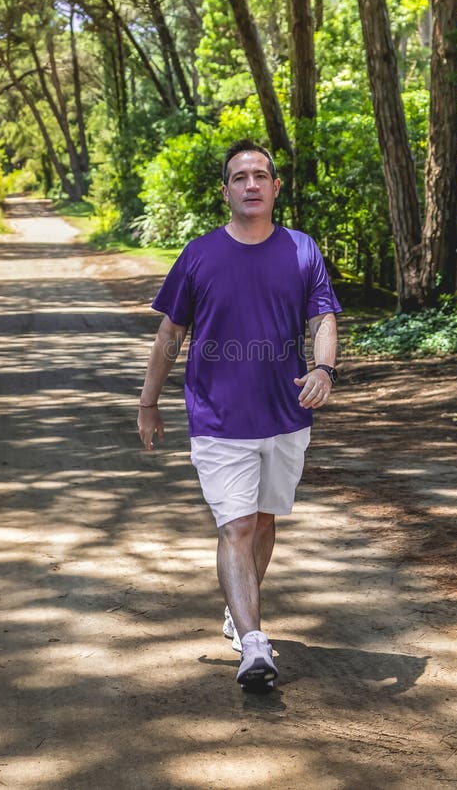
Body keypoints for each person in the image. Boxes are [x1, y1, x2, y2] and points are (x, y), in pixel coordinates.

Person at [137, 139, 341, 692]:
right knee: (238, 524)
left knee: (266, 520)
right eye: (239, 177)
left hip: (286, 413)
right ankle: (254, 643)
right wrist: (149, 402)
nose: (251, 184)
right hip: (217, 417)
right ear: (225, 191)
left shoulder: (302, 249)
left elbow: (323, 316)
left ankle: (239, 607)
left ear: (275, 187)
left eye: (260, 175)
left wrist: (324, 369)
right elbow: (170, 334)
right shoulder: (199, 254)